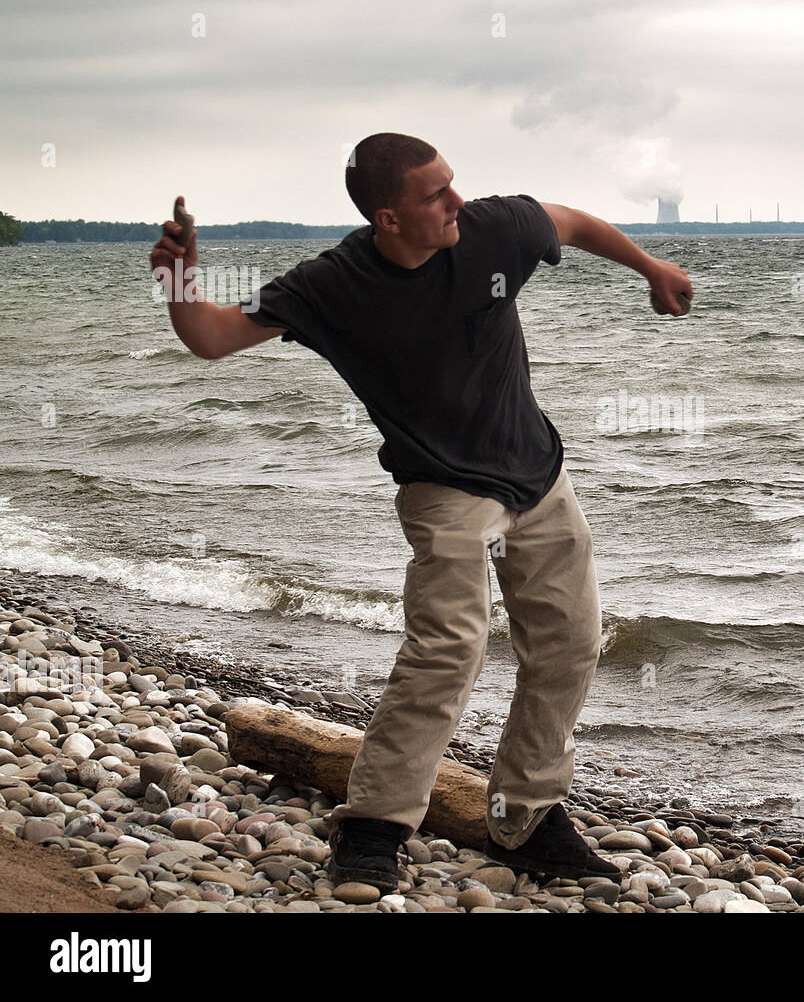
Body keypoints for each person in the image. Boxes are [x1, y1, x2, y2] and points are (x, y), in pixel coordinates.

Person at [149, 132, 693, 892]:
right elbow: (210, 337)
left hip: (536, 471)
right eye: (434, 195)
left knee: (570, 644)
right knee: (450, 647)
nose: (455, 201)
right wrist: (179, 283)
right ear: (389, 218)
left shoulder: (495, 230)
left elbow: (568, 220)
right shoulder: (332, 286)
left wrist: (650, 268)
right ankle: (373, 827)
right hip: (442, 486)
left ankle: (526, 819)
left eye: (452, 183)